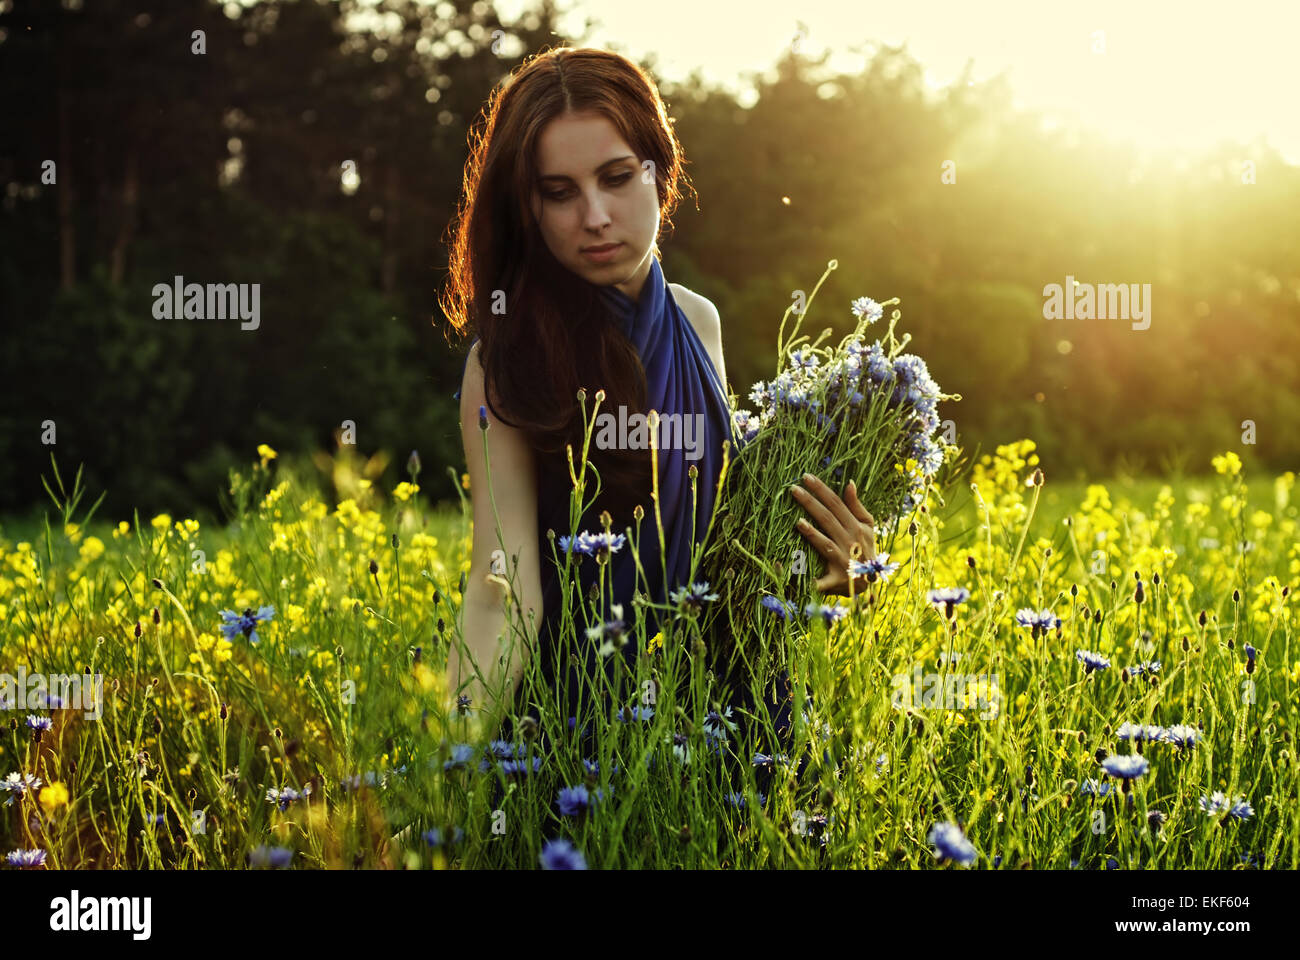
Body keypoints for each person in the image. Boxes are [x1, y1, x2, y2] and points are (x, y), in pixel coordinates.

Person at [438, 47, 878, 771]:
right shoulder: (504, 361)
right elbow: (503, 590)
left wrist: (833, 571)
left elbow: (718, 546)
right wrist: (443, 762)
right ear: (529, 207)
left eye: (616, 177)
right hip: (584, 731)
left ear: (659, 171)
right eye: (558, 191)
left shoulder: (700, 322)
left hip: (728, 712)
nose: (596, 216)